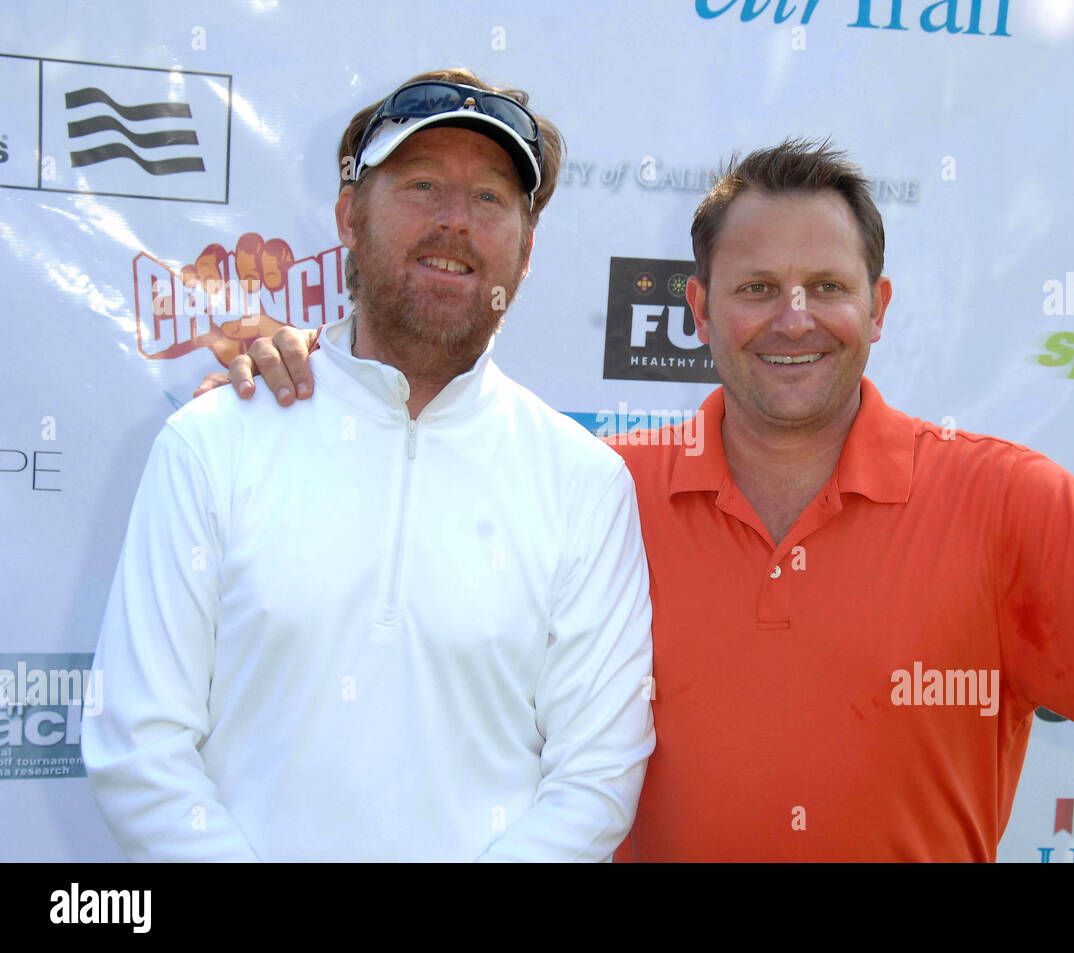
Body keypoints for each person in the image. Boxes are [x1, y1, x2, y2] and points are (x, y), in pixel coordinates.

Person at [198, 139, 1074, 862]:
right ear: (697, 308)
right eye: (757, 288)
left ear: (879, 305)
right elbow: (394, 489)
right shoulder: (593, 488)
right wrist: (305, 383)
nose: (793, 318)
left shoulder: (1001, 500)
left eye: (826, 287)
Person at [84, 69, 655, 862]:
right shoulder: (211, 442)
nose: (456, 221)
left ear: (525, 254)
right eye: (422, 184)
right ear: (350, 216)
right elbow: (137, 746)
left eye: (491, 198)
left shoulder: (585, 483)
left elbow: (595, 776)